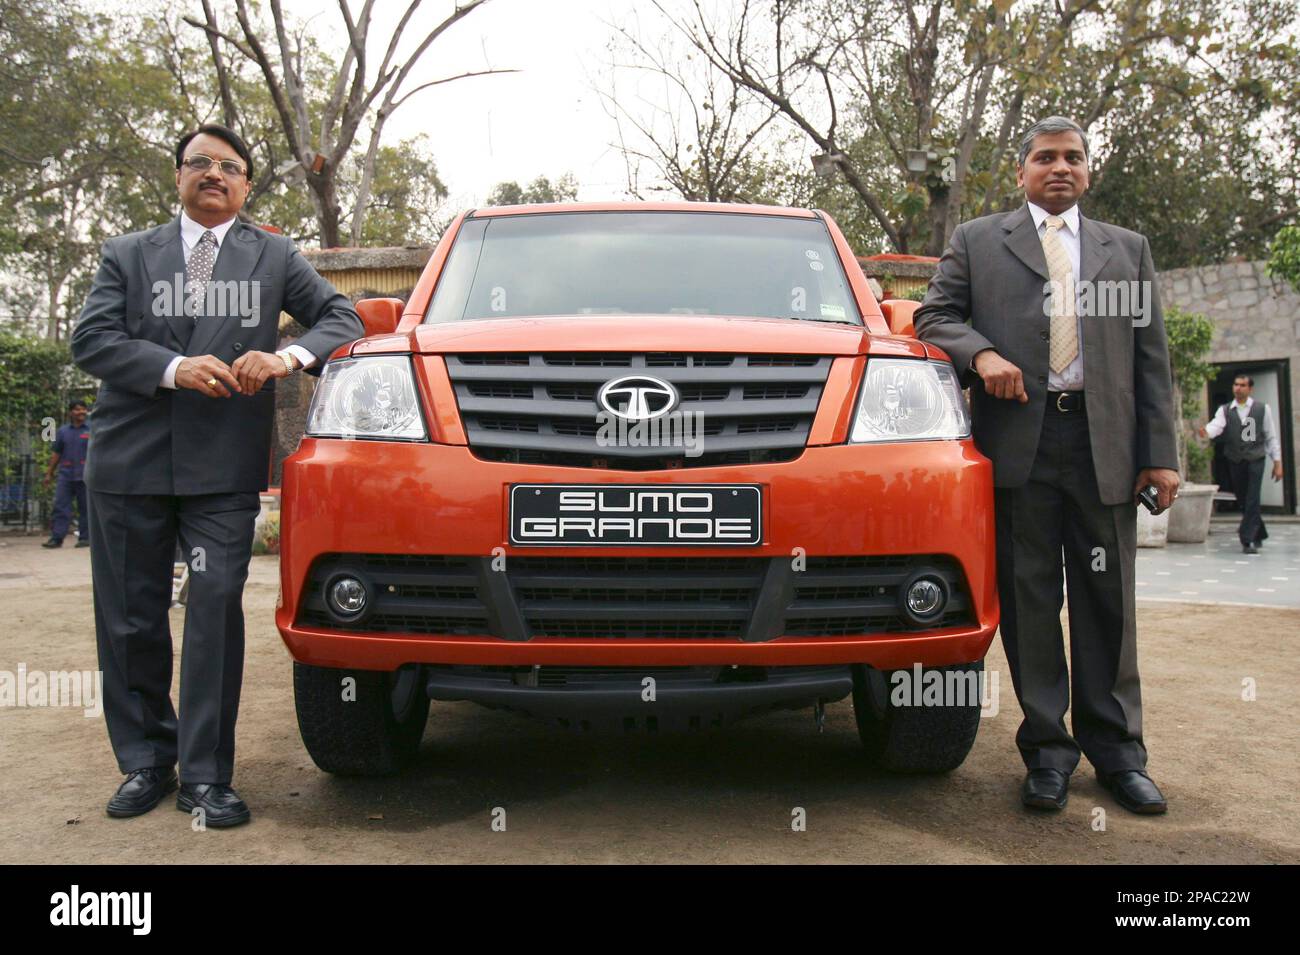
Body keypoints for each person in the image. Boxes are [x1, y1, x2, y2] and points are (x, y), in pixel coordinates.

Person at [70, 124, 364, 827]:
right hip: (130, 463)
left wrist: (286, 357)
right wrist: (172, 369)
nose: (213, 174)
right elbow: (92, 339)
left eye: (228, 167)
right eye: (199, 163)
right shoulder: (126, 254)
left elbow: (340, 315)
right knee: (132, 618)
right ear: (177, 176)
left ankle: (205, 776)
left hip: (222, 470)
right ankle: (145, 760)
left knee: (213, 611)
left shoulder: (274, 255)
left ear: (245, 186)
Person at [915, 116, 1180, 815]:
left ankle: (1121, 754)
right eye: (1044, 158)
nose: (1059, 167)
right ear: (1022, 170)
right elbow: (932, 317)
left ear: (1088, 171)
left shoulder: (1128, 250)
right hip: (1019, 451)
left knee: (1109, 603)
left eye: (1073, 157)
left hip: (1107, 448)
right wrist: (983, 354)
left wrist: (1162, 455)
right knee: (1031, 605)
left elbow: (1153, 360)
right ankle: (1048, 755)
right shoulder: (978, 241)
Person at [1200, 374, 1283, 553]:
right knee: (1244, 499)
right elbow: (1216, 425)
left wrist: (1277, 462)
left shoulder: (1262, 409)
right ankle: (1258, 532)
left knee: (1252, 497)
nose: (1238, 388)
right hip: (1235, 460)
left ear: (1250, 388)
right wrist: (1206, 432)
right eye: (1236, 384)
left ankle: (1248, 540)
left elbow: (1270, 436)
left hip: (1255, 460)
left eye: (1242, 385)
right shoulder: (1226, 409)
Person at [42, 401, 91, 548]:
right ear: (71, 412)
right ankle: (56, 538)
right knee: (61, 507)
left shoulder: (92, 430)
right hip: (66, 475)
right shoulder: (63, 431)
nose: (81, 412)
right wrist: (49, 473)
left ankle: (85, 538)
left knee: (86, 508)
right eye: (77, 410)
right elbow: (56, 454)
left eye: (83, 409)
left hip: (86, 476)